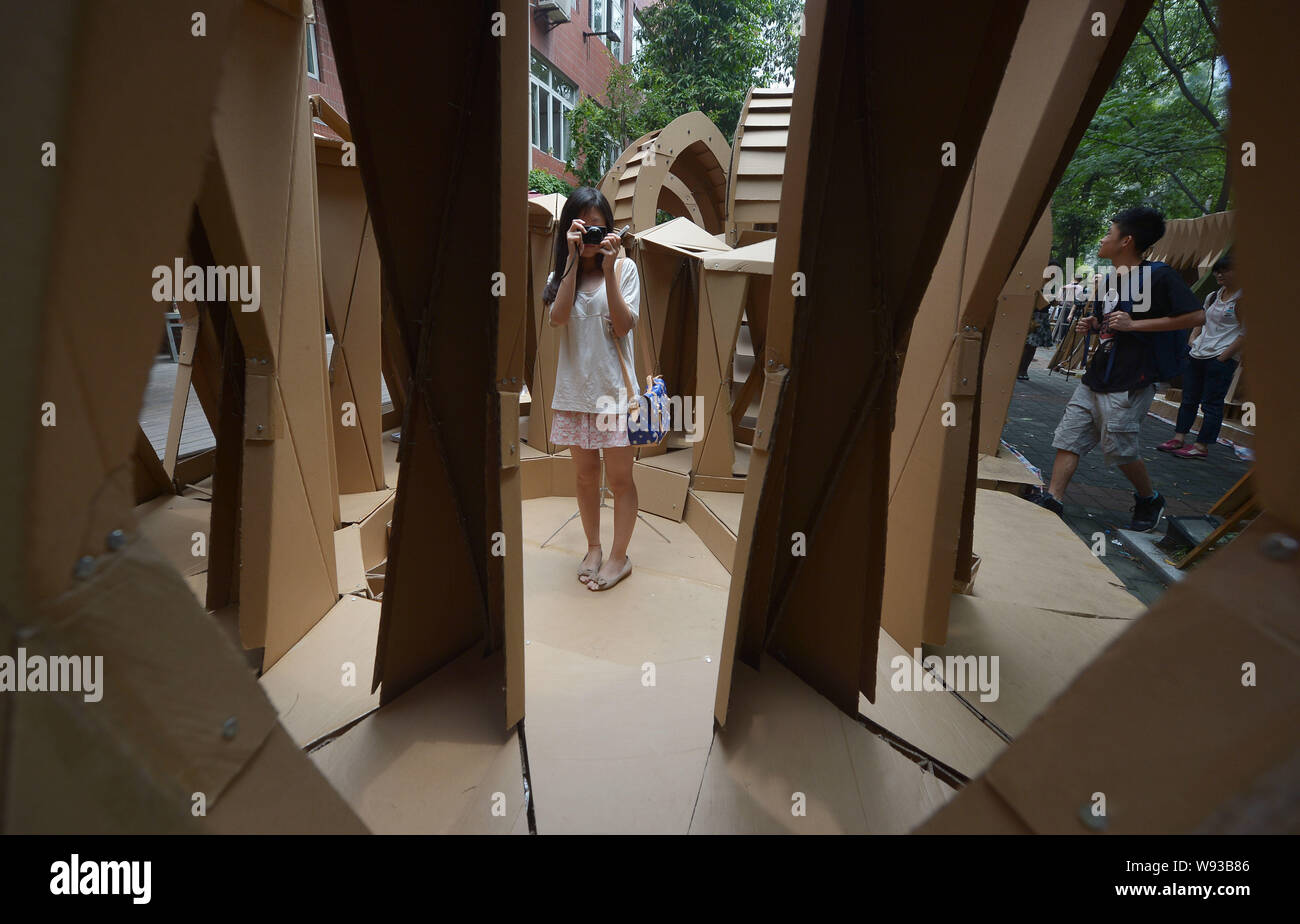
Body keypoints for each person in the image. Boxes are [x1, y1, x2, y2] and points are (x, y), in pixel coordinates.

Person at [1033, 207, 1204, 531]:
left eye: (1108, 233)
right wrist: (1093, 324)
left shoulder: (1160, 275)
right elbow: (1110, 322)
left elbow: (1197, 317)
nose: (1102, 238)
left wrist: (1136, 324)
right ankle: (1054, 498)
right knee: (1069, 436)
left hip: (1133, 377)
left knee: (1119, 448)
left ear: (1126, 241)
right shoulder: (1111, 278)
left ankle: (1149, 498)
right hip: (1100, 373)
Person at [541, 187, 641, 591]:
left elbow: (623, 325)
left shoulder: (626, 269)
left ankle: (620, 556)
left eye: (598, 229)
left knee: (620, 480)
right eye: (584, 228)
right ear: (570, 230)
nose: (591, 238)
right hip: (574, 394)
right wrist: (569, 259)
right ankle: (594, 547)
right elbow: (558, 318)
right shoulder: (560, 273)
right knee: (584, 478)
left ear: (610, 232)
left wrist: (612, 268)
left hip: (613, 395)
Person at [1156, 253, 1244, 459]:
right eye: (1217, 271)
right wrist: (1193, 340)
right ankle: (1178, 438)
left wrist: (1224, 357)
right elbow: (1200, 318)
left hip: (1220, 357)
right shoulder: (1213, 295)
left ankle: (1201, 446)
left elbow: (1245, 333)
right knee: (1189, 399)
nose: (1219, 274)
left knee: (1212, 403)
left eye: (1225, 270)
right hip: (1198, 353)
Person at [1018, 299, 1055, 380]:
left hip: (1043, 316)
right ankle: (1020, 369)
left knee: (1033, 346)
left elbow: (1054, 303)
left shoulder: (1050, 288)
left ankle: (1024, 369)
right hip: (1033, 315)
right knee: (1028, 345)